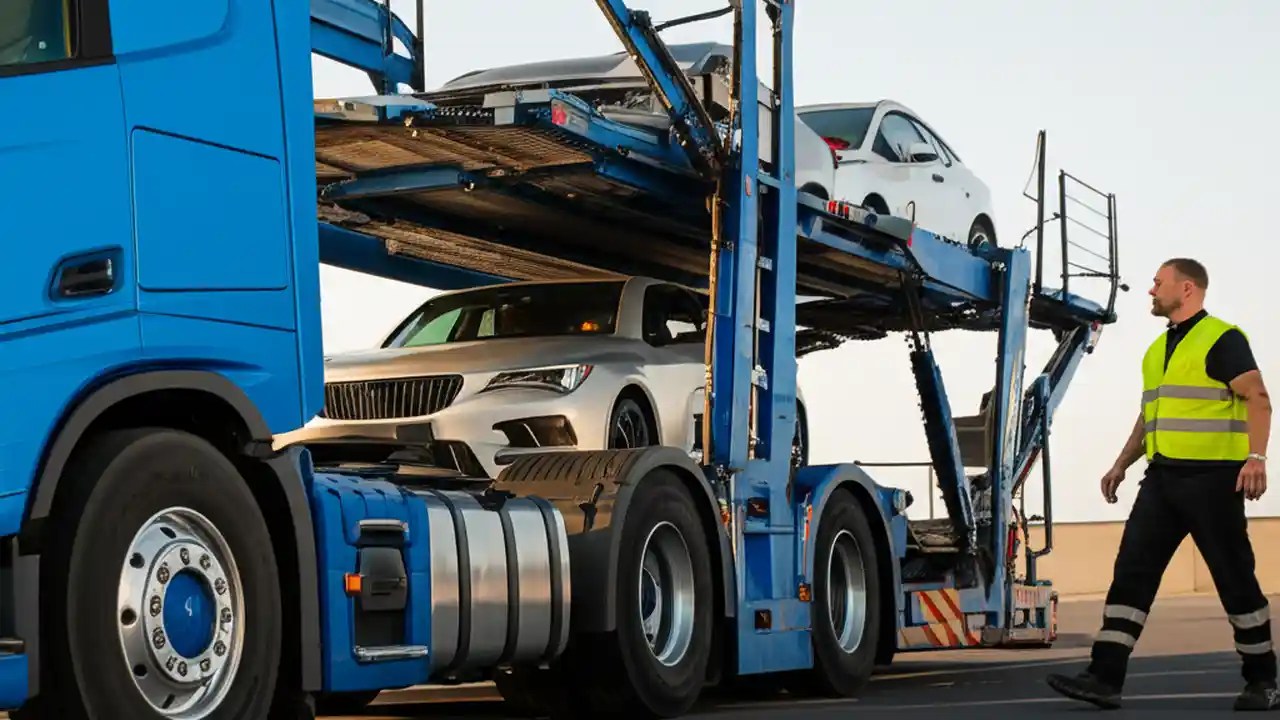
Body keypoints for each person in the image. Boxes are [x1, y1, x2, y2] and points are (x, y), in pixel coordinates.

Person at [1045, 257, 1275, 711]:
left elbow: (1259, 397)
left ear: (1187, 289)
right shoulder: (1156, 350)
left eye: (1158, 282)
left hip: (1213, 482)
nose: (1150, 290)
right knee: (1131, 574)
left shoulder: (1222, 339)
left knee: (1235, 582)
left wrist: (1256, 458)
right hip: (1162, 480)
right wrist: (1121, 464)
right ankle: (1104, 677)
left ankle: (1263, 682)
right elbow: (1150, 416)